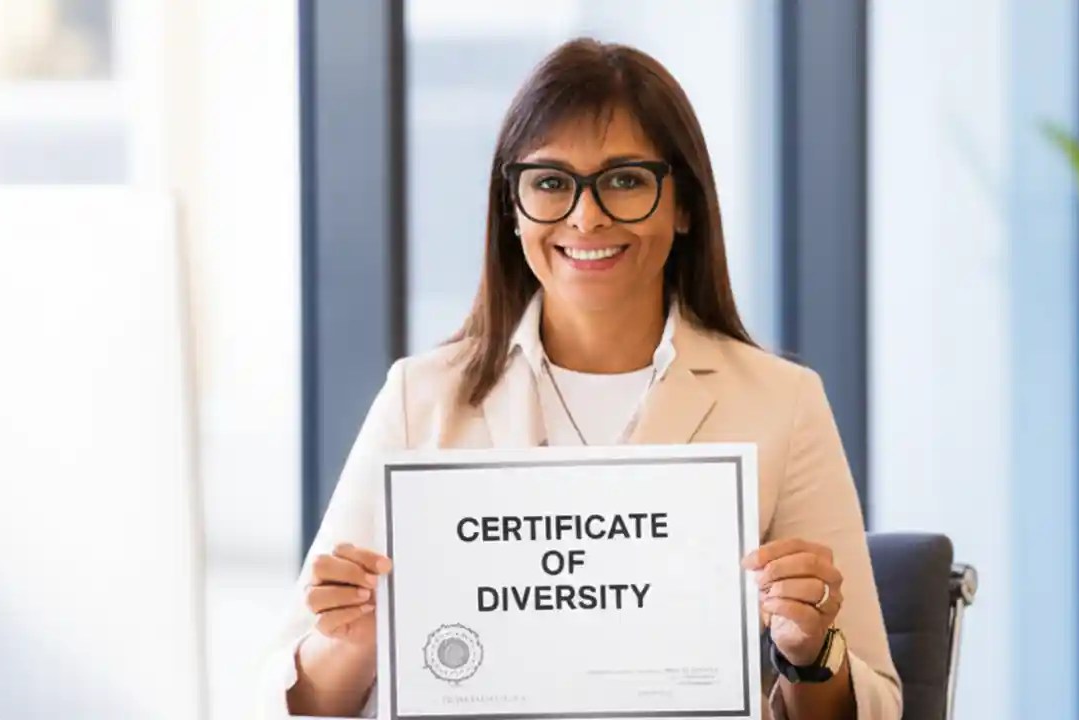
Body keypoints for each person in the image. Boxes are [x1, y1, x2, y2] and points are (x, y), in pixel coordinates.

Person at [261, 37, 902, 720]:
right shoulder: (422, 399)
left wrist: (808, 652)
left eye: (625, 179)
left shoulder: (782, 402)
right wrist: (354, 643)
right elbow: (297, 703)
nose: (586, 216)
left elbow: (875, 705)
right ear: (512, 210)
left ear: (682, 205)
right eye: (550, 182)